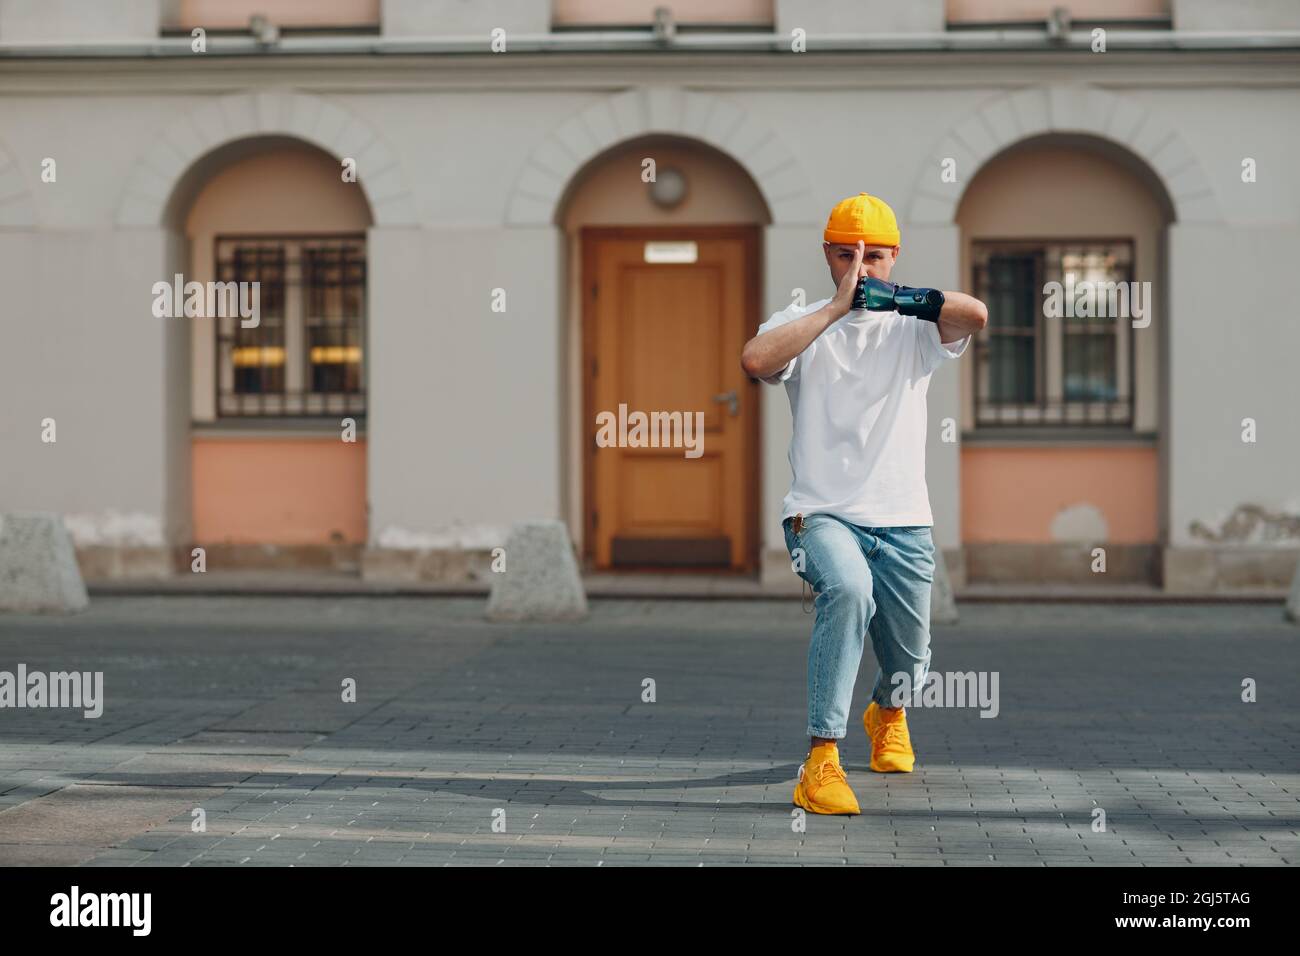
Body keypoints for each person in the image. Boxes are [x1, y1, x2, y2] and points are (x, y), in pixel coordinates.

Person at [739, 192, 988, 815]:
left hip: (903, 519)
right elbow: (755, 360)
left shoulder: (916, 329)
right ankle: (821, 761)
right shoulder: (800, 322)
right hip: (819, 513)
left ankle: (888, 711)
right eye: (847, 254)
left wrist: (900, 298)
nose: (861, 267)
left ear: (893, 255)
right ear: (827, 254)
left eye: (873, 256)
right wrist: (834, 309)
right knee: (847, 592)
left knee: (912, 660)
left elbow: (976, 314)